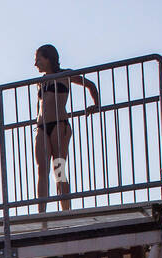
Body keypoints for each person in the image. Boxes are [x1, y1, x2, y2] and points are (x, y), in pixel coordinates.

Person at [33, 44, 99, 213]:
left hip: (59, 124)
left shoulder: (65, 74)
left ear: (48, 58)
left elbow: (90, 84)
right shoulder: (40, 82)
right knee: (42, 170)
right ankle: (41, 212)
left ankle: (65, 210)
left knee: (59, 168)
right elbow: (41, 104)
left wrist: (96, 105)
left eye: (38, 59)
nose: (36, 64)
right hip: (42, 126)